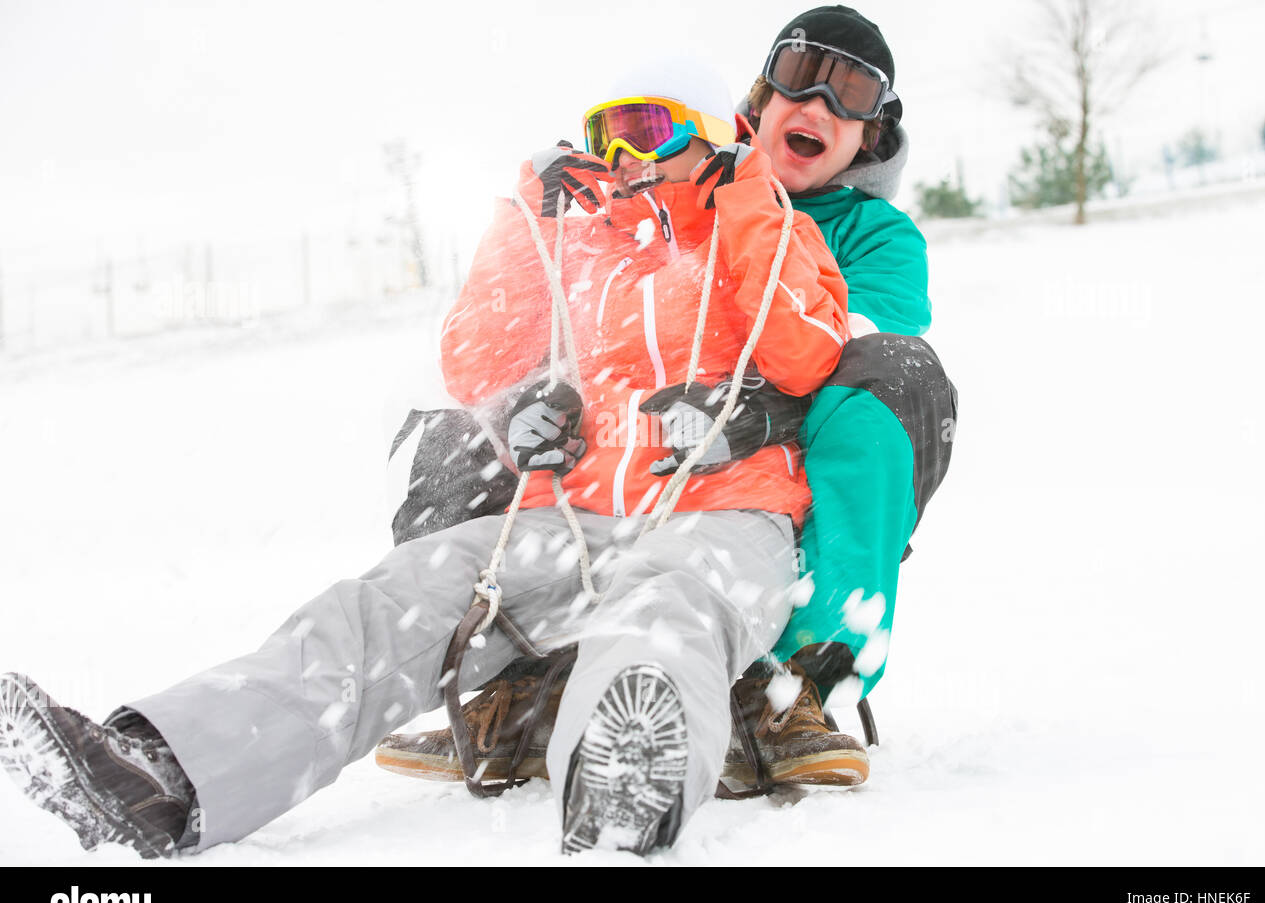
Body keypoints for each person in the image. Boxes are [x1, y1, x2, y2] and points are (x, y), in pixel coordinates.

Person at [0, 61, 851, 857]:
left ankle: (624, 791)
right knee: (404, 594)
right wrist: (529, 219)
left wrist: (745, 194)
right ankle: (168, 772)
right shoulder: (583, 252)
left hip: (725, 513)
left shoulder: (765, 228)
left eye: (650, 130)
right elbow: (476, 362)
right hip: (581, 516)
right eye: (606, 137)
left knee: (665, 616)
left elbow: (805, 352)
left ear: (712, 140)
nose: (626, 156)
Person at [377, 6, 957, 796]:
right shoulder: (674, 189)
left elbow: (857, 339)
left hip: (759, 483)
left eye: (848, 95)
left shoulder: (871, 235)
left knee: (887, 382)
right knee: (476, 428)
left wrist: (762, 407)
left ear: (871, 137)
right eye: (797, 78)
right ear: (756, 103)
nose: (816, 106)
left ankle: (788, 688)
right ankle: (528, 681)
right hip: (634, 471)